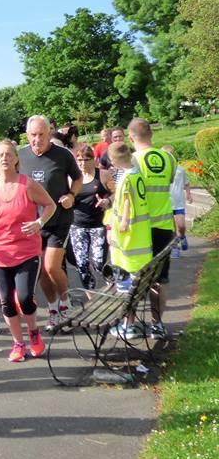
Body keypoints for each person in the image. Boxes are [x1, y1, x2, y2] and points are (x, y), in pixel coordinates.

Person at [0, 140, 56, 362]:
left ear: (16, 158)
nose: (5, 158)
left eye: (9, 154)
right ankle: (18, 343)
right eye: (1, 155)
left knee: (25, 298)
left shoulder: (27, 184)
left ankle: (33, 332)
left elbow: (50, 205)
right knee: (7, 301)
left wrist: (39, 223)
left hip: (27, 250)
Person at [18, 115, 82, 332]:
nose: (37, 139)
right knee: (42, 273)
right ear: (28, 136)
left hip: (59, 220)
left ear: (49, 133)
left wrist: (72, 195)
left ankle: (66, 303)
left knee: (51, 266)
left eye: (41, 134)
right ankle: (53, 309)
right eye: (33, 135)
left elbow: (78, 178)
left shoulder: (62, 154)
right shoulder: (21, 156)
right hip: (33, 223)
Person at [127, 118, 177, 338]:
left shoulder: (132, 161)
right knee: (160, 278)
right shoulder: (168, 158)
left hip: (140, 229)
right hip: (164, 227)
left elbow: (128, 196)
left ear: (130, 137)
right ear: (152, 135)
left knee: (135, 277)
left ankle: (131, 325)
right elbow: (170, 183)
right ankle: (157, 325)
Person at [106, 141, 153, 339]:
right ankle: (129, 324)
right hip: (141, 238)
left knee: (126, 287)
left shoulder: (126, 178)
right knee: (133, 284)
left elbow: (126, 202)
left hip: (128, 242)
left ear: (114, 160)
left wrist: (123, 222)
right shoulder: (136, 173)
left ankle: (128, 325)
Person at [69, 146, 112, 290]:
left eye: (86, 160)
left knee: (99, 263)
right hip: (77, 225)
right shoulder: (72, 178)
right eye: (79, 160)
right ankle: (91, 295)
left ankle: (111, 282)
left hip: (98, 225)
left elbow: (117, 193)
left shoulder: (104, 175)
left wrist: (108, 201)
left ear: (93, 160)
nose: (82, 163)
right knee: (81, 264)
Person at [162, 145, 192, 256]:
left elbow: (186, 183)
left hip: (179, 202)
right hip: (166, 203)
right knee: (172, 227)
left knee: (181, 225)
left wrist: (189, 194)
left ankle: (182, 237)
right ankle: (175, 247)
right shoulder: (160, 171)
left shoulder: (180, 170)